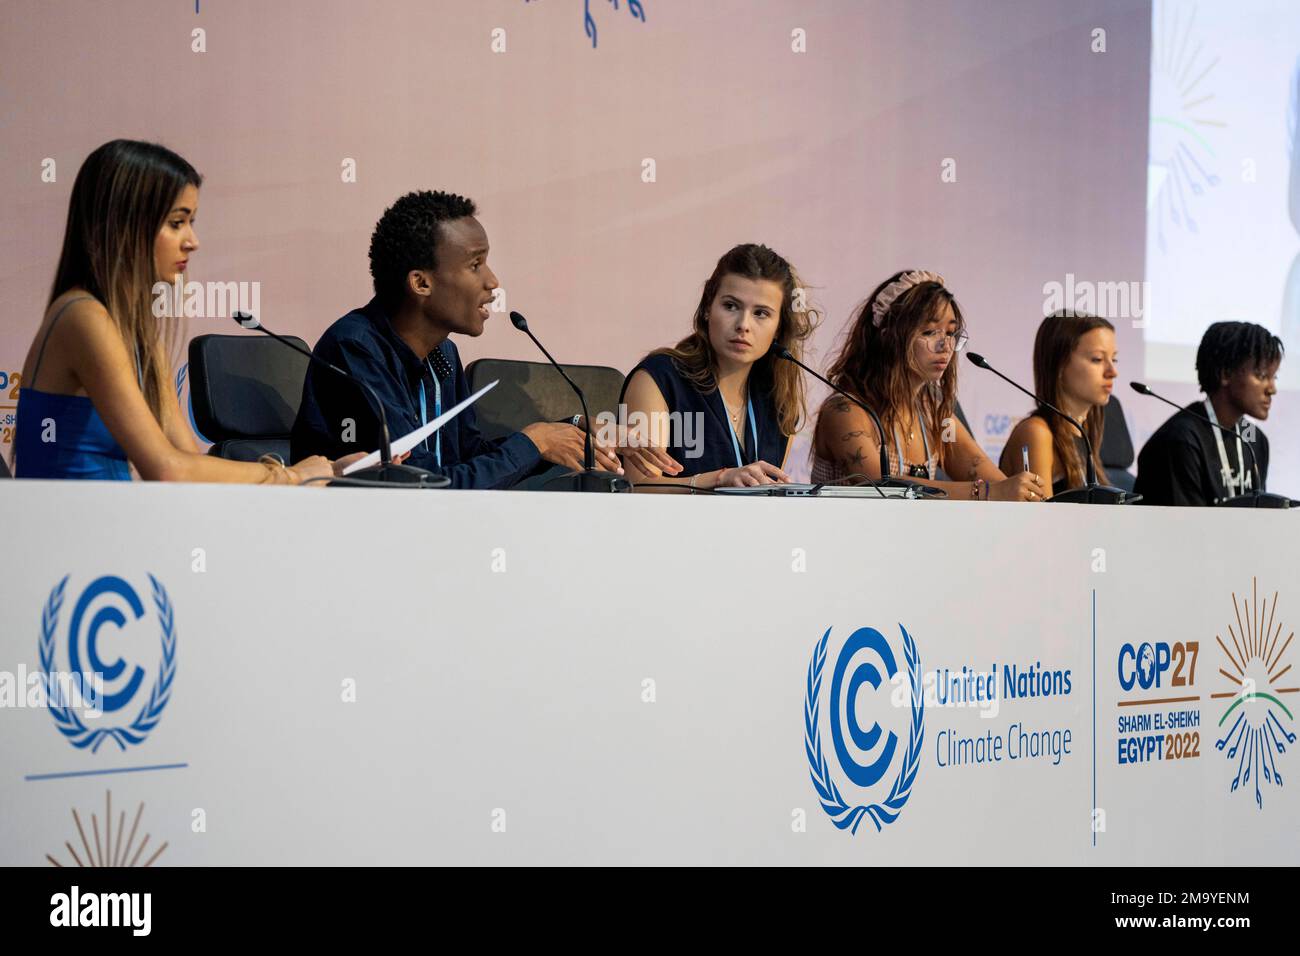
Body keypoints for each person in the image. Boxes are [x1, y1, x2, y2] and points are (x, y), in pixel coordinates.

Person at [13, 139, 350, 483]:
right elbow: (165, 468)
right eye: (177, 223)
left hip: (112, 523)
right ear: (124, 224)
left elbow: (186, 456)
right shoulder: (83, 318)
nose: (192, 240)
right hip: (68, 529)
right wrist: (290, 476)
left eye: (191, 222)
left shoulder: (137, 327)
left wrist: (331, 470)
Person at [291, 190, 620, 488]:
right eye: (476, 264)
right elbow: (422, 487)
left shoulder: (442, 353)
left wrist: (569, 431)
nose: (493, 281)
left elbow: (468, 459)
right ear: (421, 283)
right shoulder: (355, 348)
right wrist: (534, 443)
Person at [811, 270, 1044, 501]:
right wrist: (986, 493)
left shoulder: (935, 416)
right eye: (930, 331)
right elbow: (880, 487)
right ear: (888, 335)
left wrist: (1021, 491)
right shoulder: (845, 411)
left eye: (951, 332)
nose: (945, 345)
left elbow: (997, 482)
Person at [617, 243, 814, 489]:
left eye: (761, 313)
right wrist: (719, 479)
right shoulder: (659, 377)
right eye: (731, 306)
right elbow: (639, 487)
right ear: (708, 307)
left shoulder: (775, 396)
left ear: (779, 329)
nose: (743, 324)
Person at [1135, 321, 1283, 506]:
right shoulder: (1181, 440)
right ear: (1226, 374)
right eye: (1261, 376)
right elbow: (1180, 528)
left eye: (1273, 377)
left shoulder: (1255, 439)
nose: (1272, 389)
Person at [999, 311, 1117, 496]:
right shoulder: (1037, 433)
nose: (1112, 371)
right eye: (1097, 359)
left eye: (1114, 359)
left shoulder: (1085, 432)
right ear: (1059, 364)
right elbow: (1043, 522)